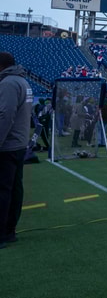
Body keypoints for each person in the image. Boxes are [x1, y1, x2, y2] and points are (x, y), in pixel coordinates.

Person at [0, 52, 33, 249]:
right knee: (14, 188)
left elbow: (5, 115)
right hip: (19, 143)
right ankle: (9, 230)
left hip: (8, 145)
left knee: (4, 190)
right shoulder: (22, 82)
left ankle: (3, 232)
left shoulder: (8, 84)